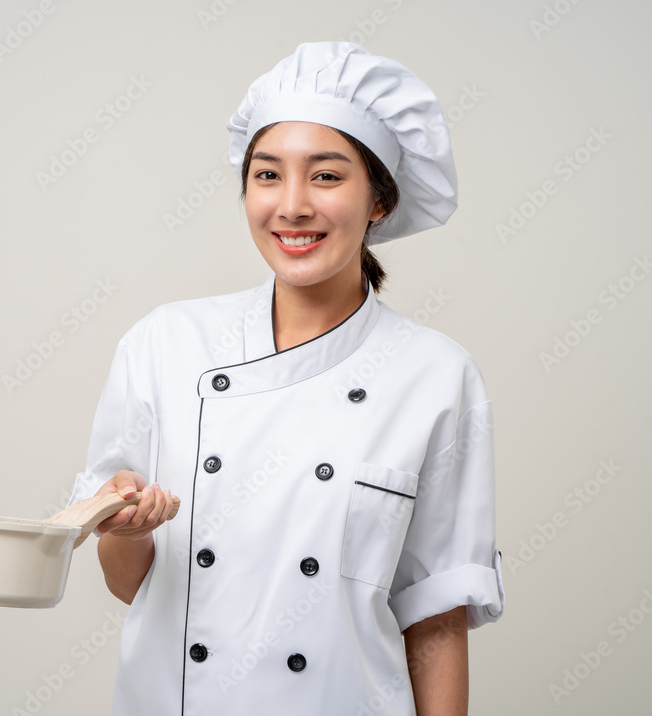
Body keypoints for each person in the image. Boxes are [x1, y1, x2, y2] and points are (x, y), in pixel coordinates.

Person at [67, 41, 505, 715]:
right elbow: (132, 587)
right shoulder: (165, 345)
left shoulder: (436, 376)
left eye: (326, 176)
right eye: (268, 175)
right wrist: (126, 531)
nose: (292, 206)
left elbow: (437, 618)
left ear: (380, 200)